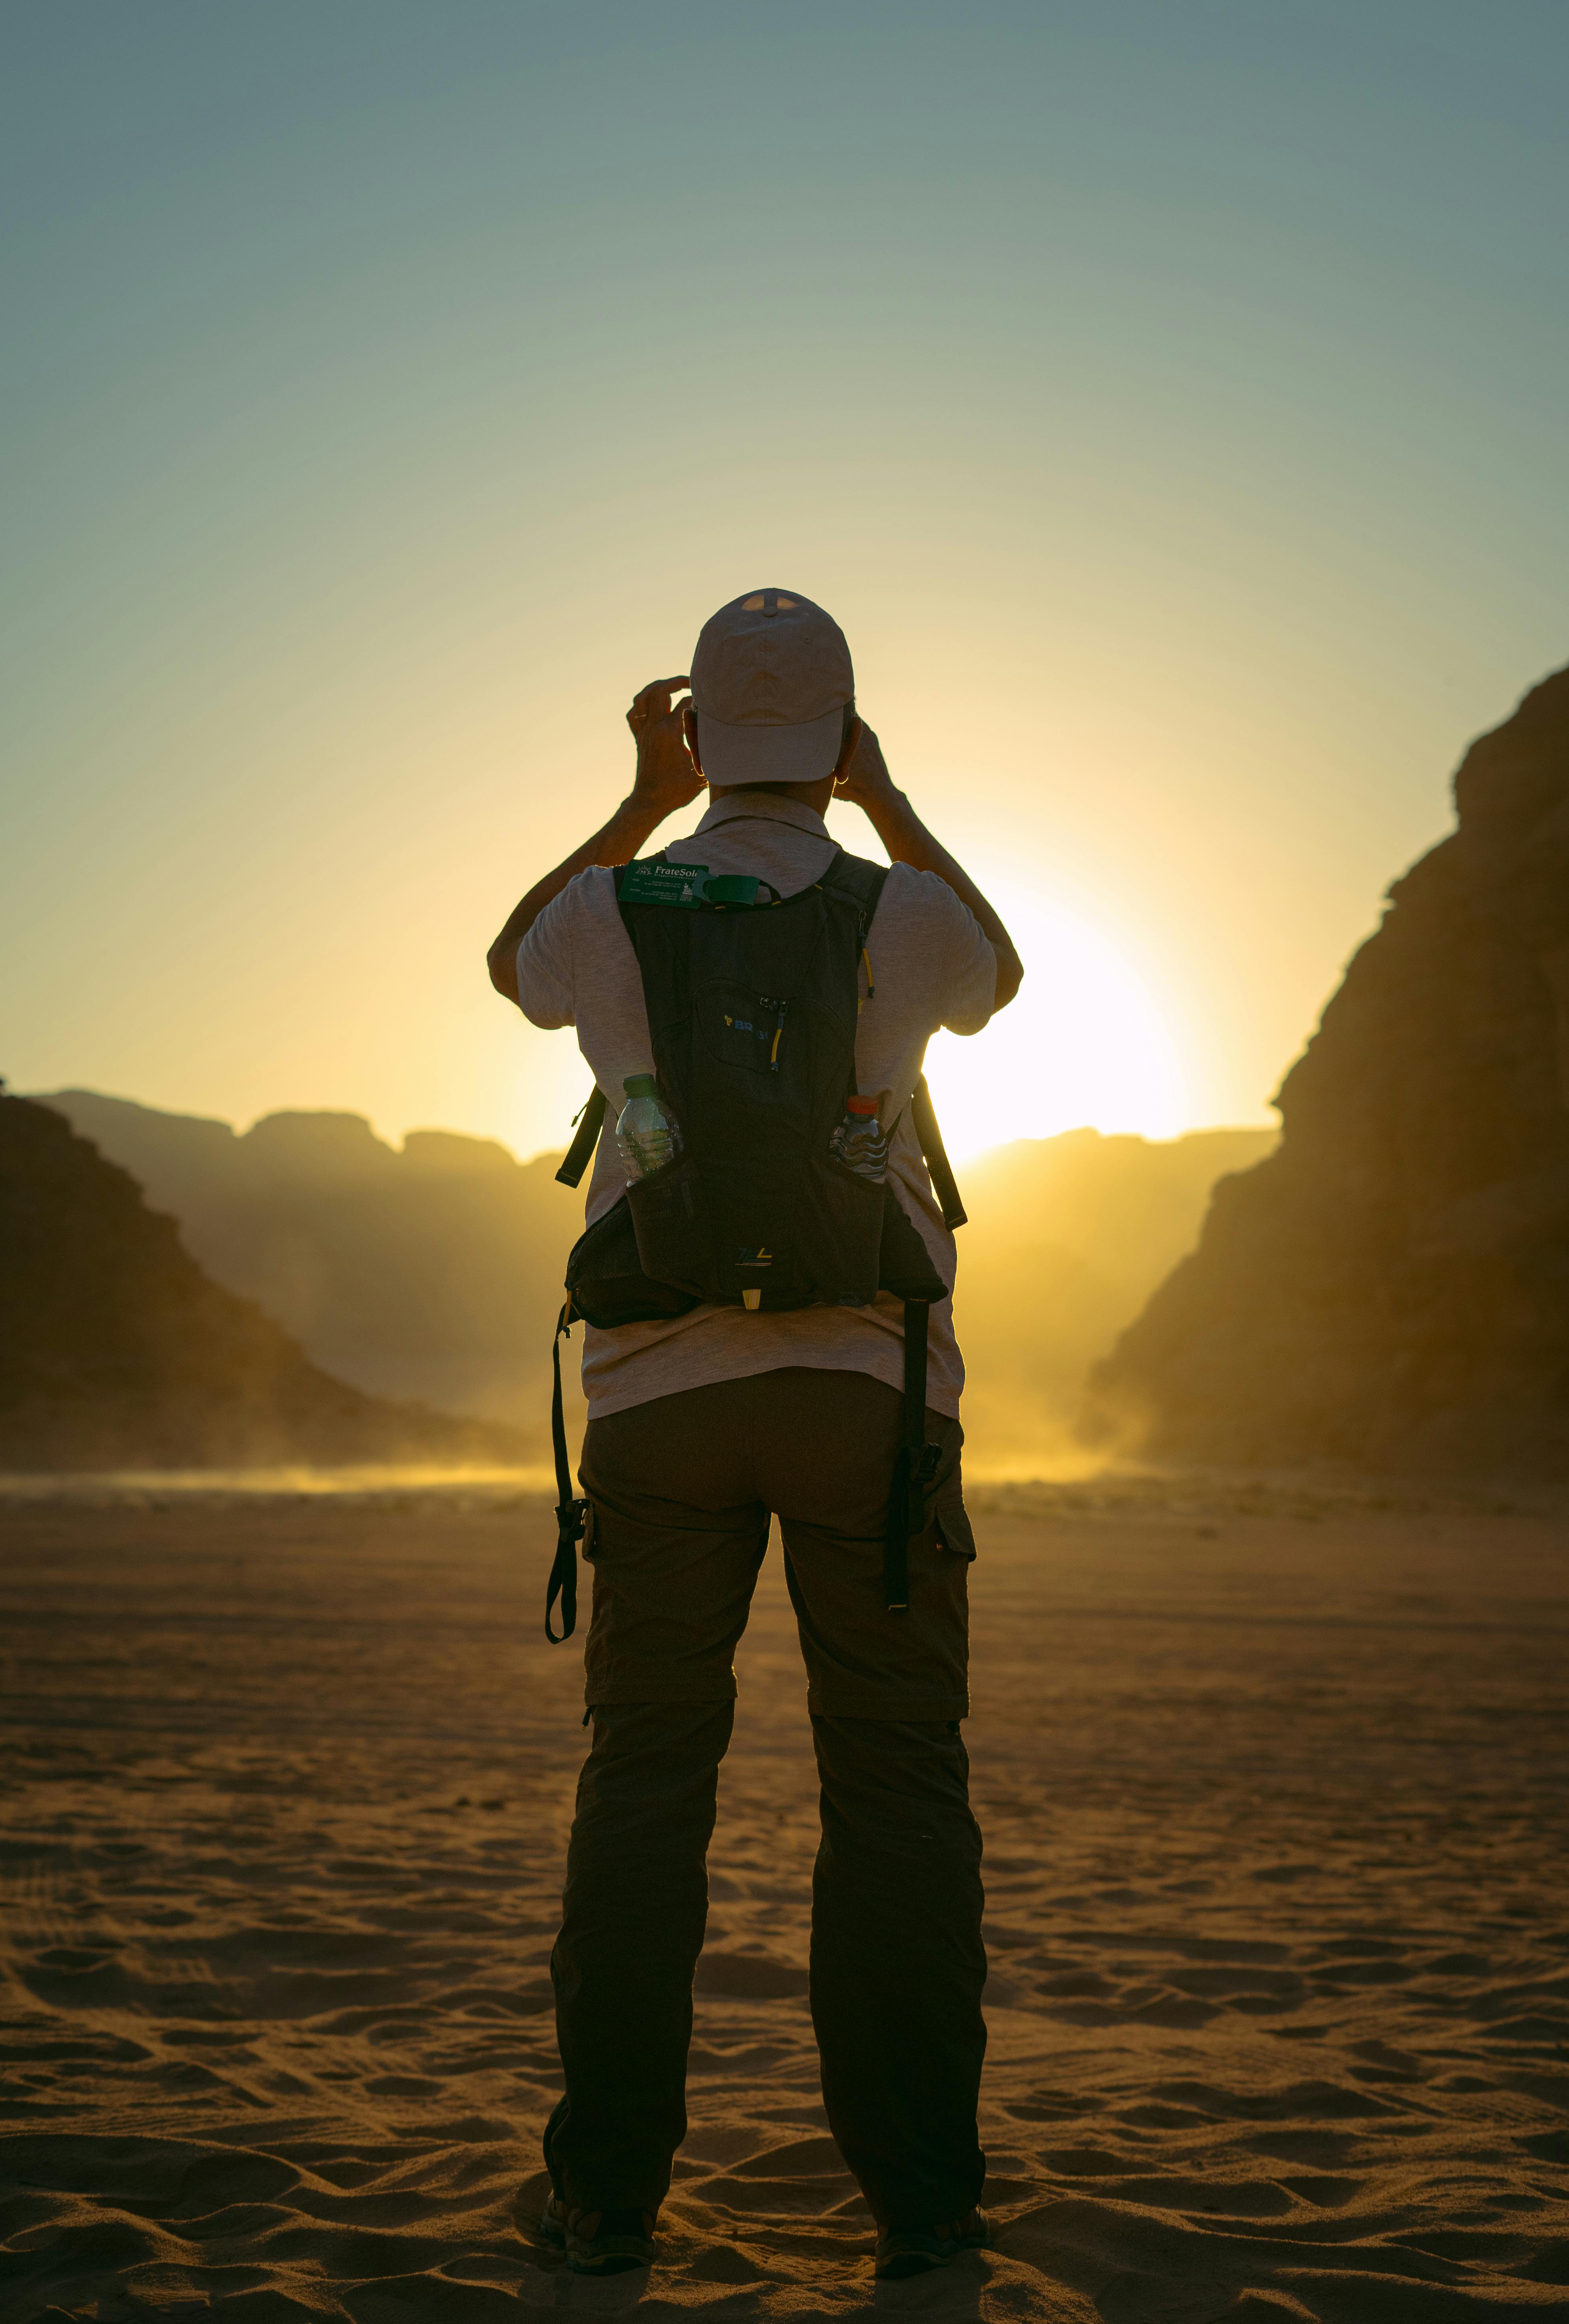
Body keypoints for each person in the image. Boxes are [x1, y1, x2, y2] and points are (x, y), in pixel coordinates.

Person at [487, 588, 1023, 2282]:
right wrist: (892, 803)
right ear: (841, 738)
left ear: (702, 731)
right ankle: (923, 2204)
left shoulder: (605, 907)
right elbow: (996, 978)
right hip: (863, 1396)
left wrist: (642, 801)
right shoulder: (906, 908)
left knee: (647, 1783)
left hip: (659, 1402)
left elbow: (511, 962)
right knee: (895, 1792)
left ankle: (603, 2200)